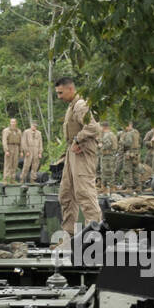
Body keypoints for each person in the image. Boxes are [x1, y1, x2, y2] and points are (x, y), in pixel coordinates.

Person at [55, 75, 102, 229]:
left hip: (82, 152)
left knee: (85, 193)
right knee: (66, 194)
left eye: (61, 93)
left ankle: (94, 234)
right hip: (72, 152)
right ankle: (69, 234)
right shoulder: (72, 106)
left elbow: (93, 127)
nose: (59, 97)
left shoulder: (80, 105)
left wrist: (77, 139)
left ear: (71, 89)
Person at [118, 121, 142, 192]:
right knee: (135, 170)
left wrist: (121, 141)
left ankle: (129, 187)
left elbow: (127, 144)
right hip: (136, 154)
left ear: (129, 125)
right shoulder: (136, 132)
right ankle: (138, 186)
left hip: (129, 154)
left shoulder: (128, 133)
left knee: (127, 170)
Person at [1, 118, 23, 183]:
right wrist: (6, 150)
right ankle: (6, 179)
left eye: (14, 122)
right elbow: (4, 141)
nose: (13, 123)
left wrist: (21, 151)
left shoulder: (18, 131)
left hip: (16, 147)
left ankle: (12, 179)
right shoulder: (6, 130)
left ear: (16, 123)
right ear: (10, 123)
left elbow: (21, 142)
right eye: (12, 122)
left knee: (15, 164)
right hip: (9, 147)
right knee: (8, 164)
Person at [98, 123, 118, 190]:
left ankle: (105, 187)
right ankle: (109, 187)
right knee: (110, 171)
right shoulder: (112, 134)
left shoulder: (107, 135)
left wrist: (101, 146)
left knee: (105, 171)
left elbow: (108, 144)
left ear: (104, 127)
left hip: (107, 156)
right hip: (111, 155)